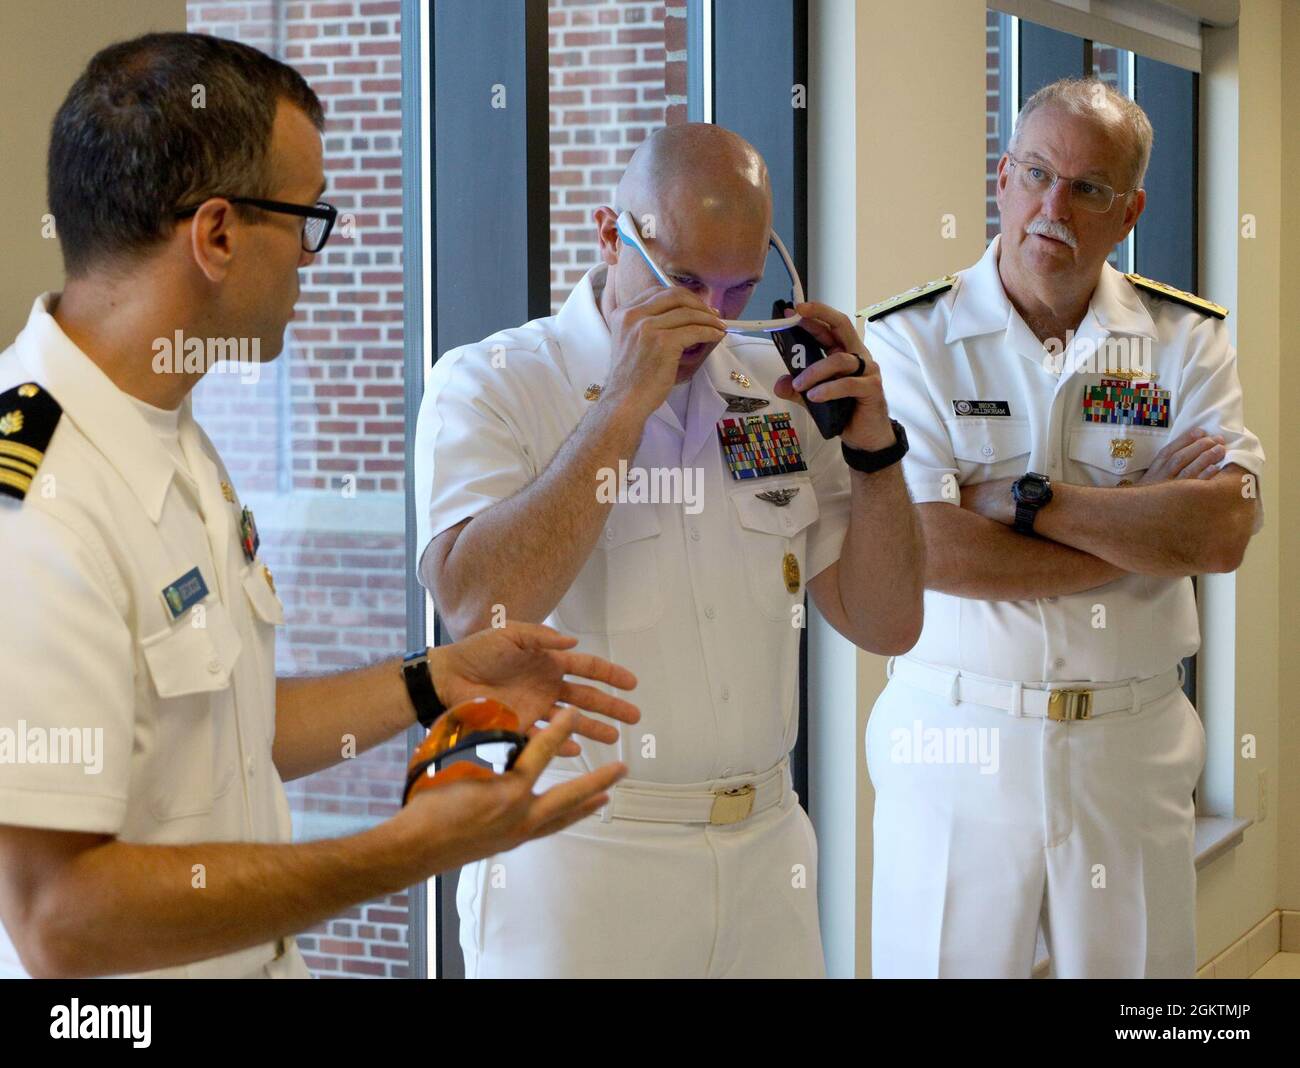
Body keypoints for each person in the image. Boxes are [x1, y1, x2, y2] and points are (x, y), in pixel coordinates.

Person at [0, 32, 639, 980]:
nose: (311, 257)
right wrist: (409, 850)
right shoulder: (39, 502)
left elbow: (226, 725)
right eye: (305, 219)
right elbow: (57, 919)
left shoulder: (166, 431)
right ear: (215, 234)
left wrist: (434, 680)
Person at [415, 122, 925, 978]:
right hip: (584, 853)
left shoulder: (775, 386)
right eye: (685, 282)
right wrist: (621, 402)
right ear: (612, 234)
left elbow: (889, 623)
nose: (713, 321)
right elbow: (478, 608)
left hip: (766, 850)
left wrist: (875, 450)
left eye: (740, 290)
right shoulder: (492, 381)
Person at [862, 77, 1264, 979]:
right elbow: (929, 549)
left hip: (1132, 742)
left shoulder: (1183, 340)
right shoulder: (907, 338)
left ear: (1130, 211)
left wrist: (1024, 502)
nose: (1055, 206)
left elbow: (1225, 532)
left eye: (1089, 188)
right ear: (1003, 177)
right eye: (1037, 173)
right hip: (955, 739)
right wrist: (1142, 528)